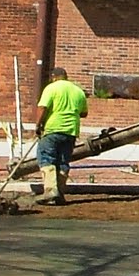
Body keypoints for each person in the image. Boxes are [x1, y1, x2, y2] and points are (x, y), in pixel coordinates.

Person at [33, 66, 87, 205]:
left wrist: (38, 125)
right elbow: (84, 113)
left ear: (53, 77)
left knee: (46, 158)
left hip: (53, 128)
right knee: (63, 161)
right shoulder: (78, 91)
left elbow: (43, 107)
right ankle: (59, 193)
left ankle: (51, 190)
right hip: (71, 131)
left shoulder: (51, 88)